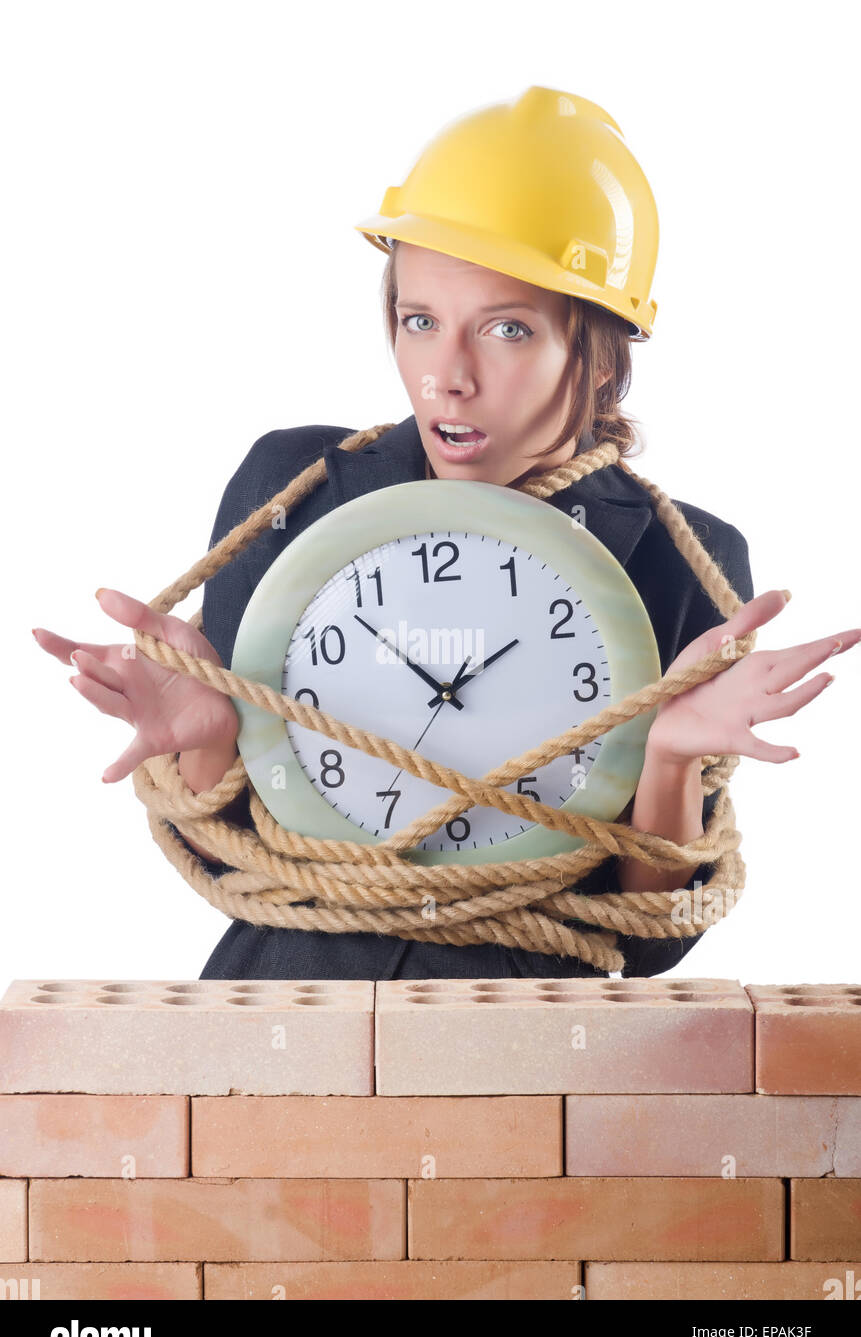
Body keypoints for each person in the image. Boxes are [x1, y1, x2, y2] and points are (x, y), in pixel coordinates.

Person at [32, 89, 860, 982]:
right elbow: (239, 851)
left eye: (506, 330)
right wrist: (209, 739)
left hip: (532, 1034)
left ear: (602, 351)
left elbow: (650, 934)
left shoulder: (681, 556)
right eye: (419, 321)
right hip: (285, 999)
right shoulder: (293, 491)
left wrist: (665, 756)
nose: (446, 378)